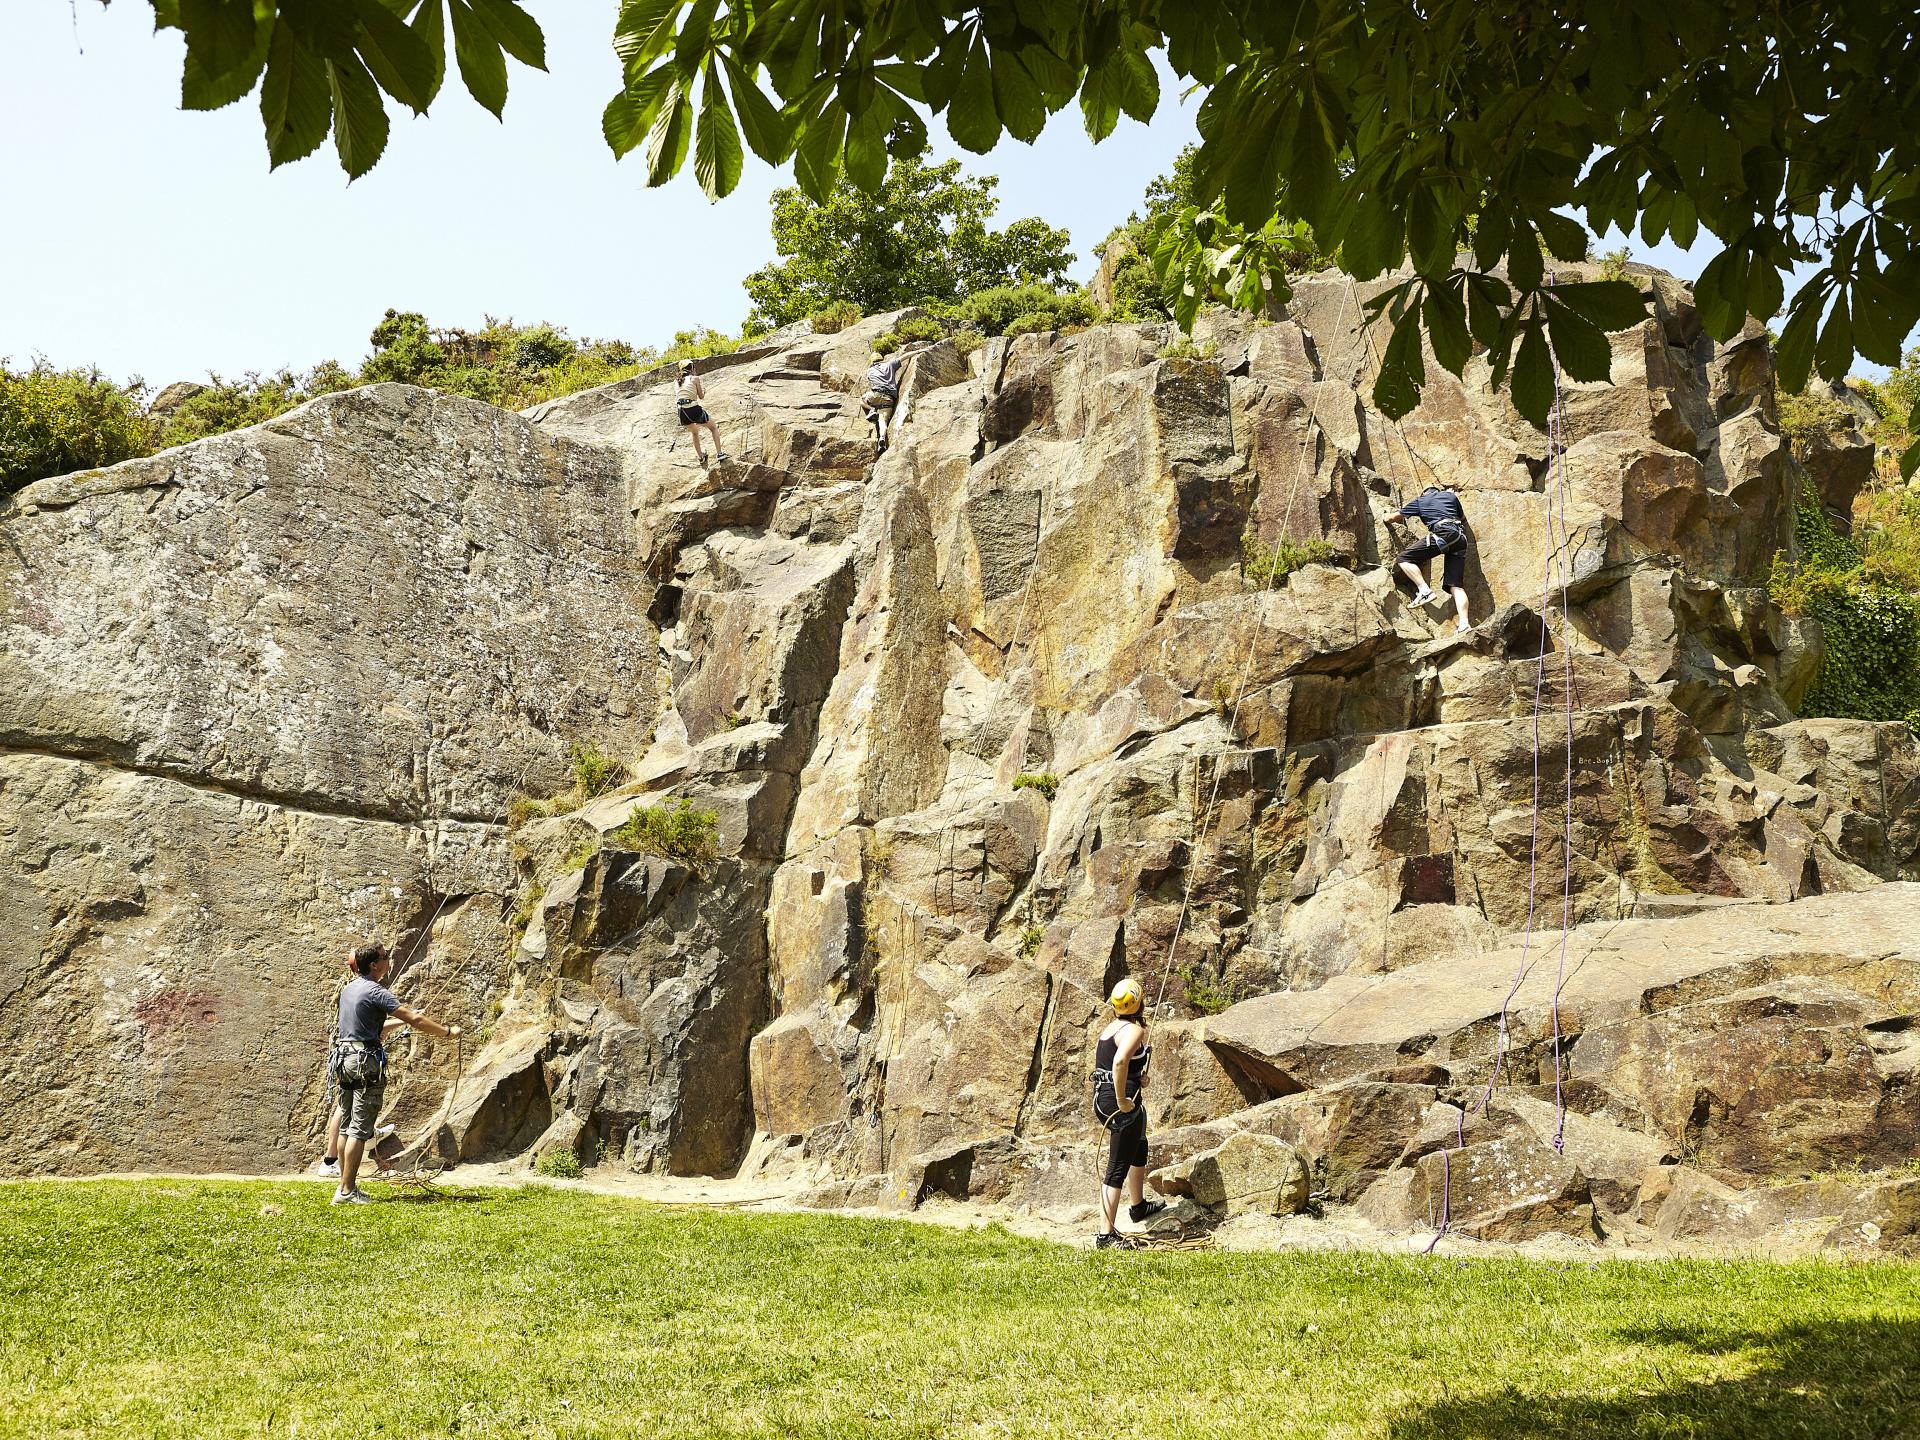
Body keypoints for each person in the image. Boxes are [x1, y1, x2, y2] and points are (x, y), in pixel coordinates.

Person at [328, 940, 462, 1206]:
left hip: (343, 1059)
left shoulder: (349, 990)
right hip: (364, 1062)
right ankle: (346, 1192)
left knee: (346, 1126)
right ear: (375, 965)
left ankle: (344, 1187)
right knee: (358, 1129)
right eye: (385, 957)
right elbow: (416, 1020)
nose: (388, 960)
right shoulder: (378, 992)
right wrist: (447, 1032)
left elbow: (371, 1027)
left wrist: (400, 1021)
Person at [1090, 977, 1165, 1249]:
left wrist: (1138, 1078)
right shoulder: (1134, 1031)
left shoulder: (1113, 1026)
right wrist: (1122, 1099)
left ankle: (1138, 1206)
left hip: (1108, 1097)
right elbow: (1120, 1061)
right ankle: (1104, 1236)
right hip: (1118, 1102)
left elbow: (1124, 1063)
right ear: (1140, 1003)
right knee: (1116, 1168)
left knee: (1139, 1146)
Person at [1387, 477, 1474, 633]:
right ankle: (1464, 624)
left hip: (1444, 533)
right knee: (1456, 586)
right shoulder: (1450, 496)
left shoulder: (1420, 501)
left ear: (1423, 493)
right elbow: (1463, 519)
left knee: (1404, 558)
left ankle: (1424, 591)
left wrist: (1384, 517)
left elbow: (1394, 518)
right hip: (1460, 538)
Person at [861, 344, 929, 456]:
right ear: (881, 359)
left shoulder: (870, 371)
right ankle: (882, 437)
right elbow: (905, 356)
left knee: (862, 399)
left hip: (875, 396)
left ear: (872, 362)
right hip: (889, 399)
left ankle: (872, 409)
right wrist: (921, 350)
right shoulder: (889, 364)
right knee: (883, 421)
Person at [674, 359, 727, 465]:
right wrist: (704, 391)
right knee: (713, 427)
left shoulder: (676, 381)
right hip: (693, 409)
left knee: (694, 432)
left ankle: (701, 457)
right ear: (692, 368)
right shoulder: (695, 379)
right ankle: (720, 453)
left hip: (682, 412)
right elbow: (701, 396)